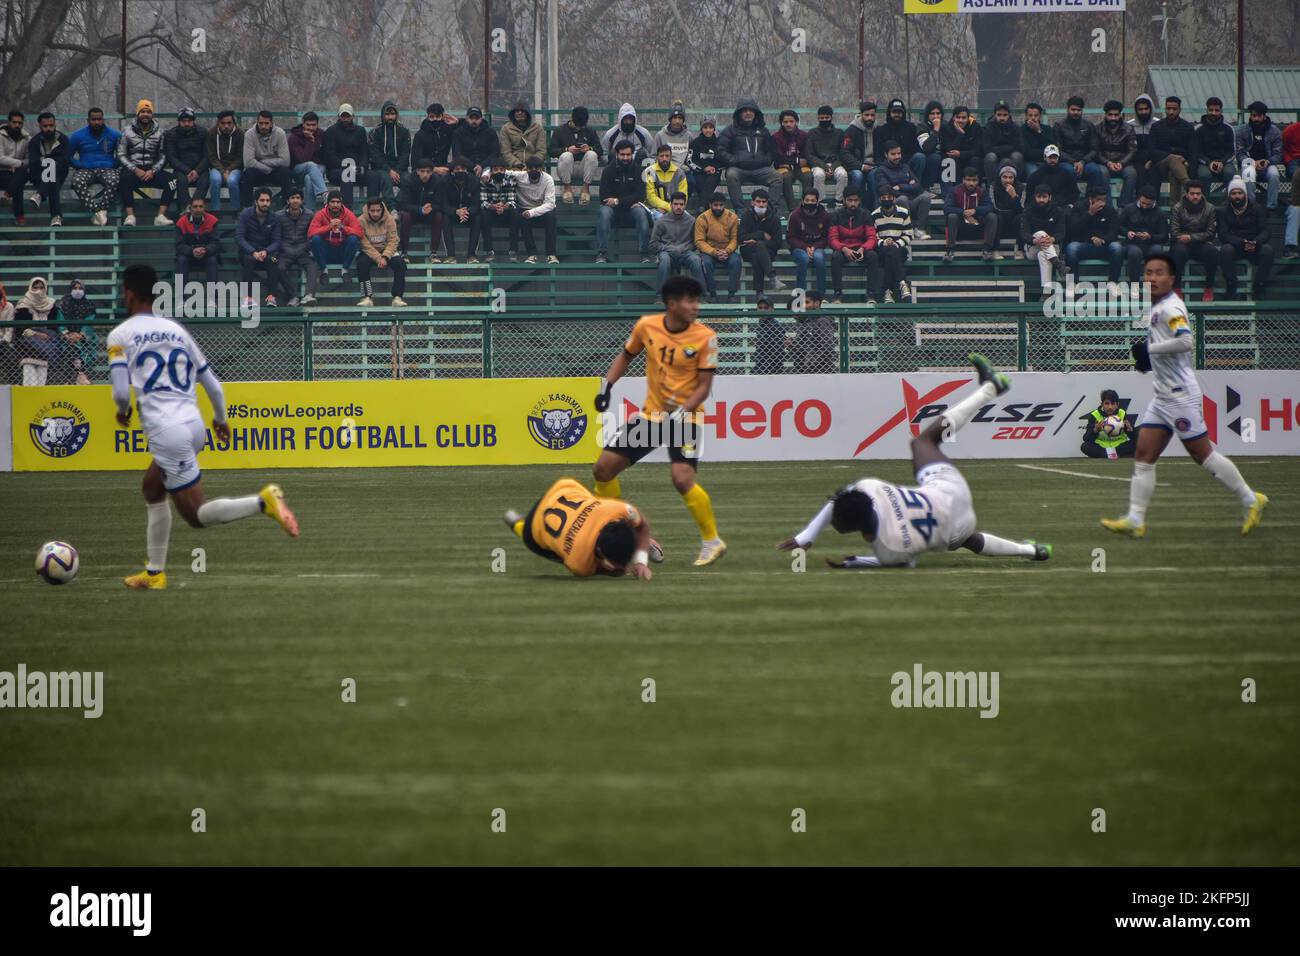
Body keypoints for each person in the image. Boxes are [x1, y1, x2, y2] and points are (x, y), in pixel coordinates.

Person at [107, 263, 299, 590]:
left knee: (196, 516)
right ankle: (154, 573)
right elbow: (214, 385)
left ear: (127, 293)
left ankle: (263, 502)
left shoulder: (120, 335)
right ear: (155, 294)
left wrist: (122, 411)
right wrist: (220, 420)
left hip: (167, 432)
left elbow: (122, 391)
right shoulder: (177, 331)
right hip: (193, 424)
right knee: (152, 488)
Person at [778, 354, 1052, 569]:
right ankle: (991, 387)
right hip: (951, 490)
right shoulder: (870, 487)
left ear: (861, 533)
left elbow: (903, 561)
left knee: (962, 538)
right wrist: (808, 536)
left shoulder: (889, 549)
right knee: (923, 442)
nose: (832, 517)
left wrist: (854, 561)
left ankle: (1031, 551)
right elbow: (841, 504)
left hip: (956, 528)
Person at [1102, 252, 1267, 538]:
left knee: (1202, 454)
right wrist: (1150, 359)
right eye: (1148, 272)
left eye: (1158, 273)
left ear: (1171, 278)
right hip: (1163, 396)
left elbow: (1186, 341)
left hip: (1180, 396)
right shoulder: (1158, 306)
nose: (1152, 278)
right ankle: (1135, 519)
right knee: (1143, 454)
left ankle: (1252, 499)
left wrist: (1149, 351)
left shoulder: (1172, 308)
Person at [592, 275, 725, 566]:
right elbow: (626, 356)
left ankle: (712, 540)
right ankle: (627, 529)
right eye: (689, 300)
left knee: (681, 479)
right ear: (671, 303)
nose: (695, 306)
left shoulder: (706, 337)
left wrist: (680, 411)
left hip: (687, 419)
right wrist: (606, 386)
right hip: (651, 417)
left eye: (696, 300)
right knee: (603, 470)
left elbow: (704, 386)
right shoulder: (646, 326)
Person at [502, 477, 660, 580]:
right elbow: (616, 571)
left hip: (563, 488)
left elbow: (641, 525)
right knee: (531, 537)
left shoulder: (617, 509)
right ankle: (516, 523)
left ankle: (635, 542)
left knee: (599, 506)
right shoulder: (580, 563)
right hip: (535, 525)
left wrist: (639, 554)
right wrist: (637, 561)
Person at [718, 98, 784, 216]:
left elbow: (770, 150)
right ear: (739, 113)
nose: (748, 113)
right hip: (739, 169)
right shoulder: (730, 130)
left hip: (760, 169)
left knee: (777, 177)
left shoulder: (763, 131)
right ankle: (741, 211)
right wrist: (734, 160)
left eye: (751, 111)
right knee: (731, 174)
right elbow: (721, 150)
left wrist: (765, 160)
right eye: (744, 111)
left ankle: (771, 210)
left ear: (755, 113)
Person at [116, 99, 173, 226]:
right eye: (142, 111)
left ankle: (161, 216)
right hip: (133, 170)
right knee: (123, 179)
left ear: (152, 114)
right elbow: (120, 154)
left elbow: (164, 154)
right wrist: (135, 169)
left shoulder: (161, 132)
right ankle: (130, 216)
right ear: (138, 114)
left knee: (173, 181)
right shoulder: (126, 131)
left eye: (148, 111)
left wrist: (153, 170)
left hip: (151, 170)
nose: (145, 114)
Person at [1216, 176, 1274, 301]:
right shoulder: (1223, 210)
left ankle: (1259, 287)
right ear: (1229, 195)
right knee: (1225, 250)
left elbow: (1265, 231)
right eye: (1234, 193)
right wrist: (1242, 242)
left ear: (1245, 194)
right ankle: (1231, 287)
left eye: (1240, 193)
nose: (1237, 196)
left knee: (1267, 250)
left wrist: (1256, 242)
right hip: (1236, 247)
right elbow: (1223, 234)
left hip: (1254, 246)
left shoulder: (1257, 208)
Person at [595, 140, 652, 264]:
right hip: (613, 211)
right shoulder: (608, 171)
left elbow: (640, 195)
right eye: (622, 154)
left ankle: (644, 254)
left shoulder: (638, 171)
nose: (625, 157)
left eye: (628, 154)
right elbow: (604, 197)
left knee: (641, 213)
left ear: (632, 154)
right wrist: (627, 201)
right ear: (616, 154)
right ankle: (602, 253)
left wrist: (617, 201)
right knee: (604, 212)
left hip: (630, 210)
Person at [1168, 180, 1219, 302]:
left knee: (1213, 252)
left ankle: (1209, 287)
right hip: (1182, 244)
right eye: (1192, 193)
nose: (1195, 196)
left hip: (1200, 244)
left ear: (1202, 194)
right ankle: (1176, 287)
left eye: (1198, 193)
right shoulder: (1177, 208)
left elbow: (1211, 233)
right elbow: (1174, 232)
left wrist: (1191, 238)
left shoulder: (1210, 208)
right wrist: (1184, 238)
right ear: (1186, 194)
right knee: (1178, 252)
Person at [68, 107, 121, 225]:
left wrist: (113, 164)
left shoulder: (114, 134)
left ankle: (102, 209)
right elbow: (68, 155)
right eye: (93, 119)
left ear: (103, 119)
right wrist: (79, 165)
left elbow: (121, 153)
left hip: (108, 168)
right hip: (86, 169)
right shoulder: (78, 136)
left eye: (99, 119)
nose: (97, 122)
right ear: (88, 120)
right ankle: (96, 210)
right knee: (77, 180)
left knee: (115, 180)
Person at [235, 187, 284, 309]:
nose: (265, 203)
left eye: (267, 200)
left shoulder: (274, 218)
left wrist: (266, 251)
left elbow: (277, 241)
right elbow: (239, 237)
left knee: (273, 260)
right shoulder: (245, 214)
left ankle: (272, 297)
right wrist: (252, 251)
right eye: (262, 200)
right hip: (248, 252)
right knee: (248, 260)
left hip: (266, 253)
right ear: (256, 202)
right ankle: (248, 298)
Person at [874, 140, 931, 241]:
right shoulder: (880, 170)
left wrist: (900, 187)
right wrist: (909, 186)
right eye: (893, 154)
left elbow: (918, 186)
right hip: (894, 204)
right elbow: (887, 190)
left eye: (899, 153)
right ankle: (908, 229)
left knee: (925, 197)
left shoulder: (905, 167)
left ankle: (919, 229)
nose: (897, 156)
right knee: (902, 199)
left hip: (911, 200)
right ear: (886, 155)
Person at [1065, 185, 1123, 283]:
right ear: (1091, 199)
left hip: (1103, 246)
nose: (1102, 203)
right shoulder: (1079, 206)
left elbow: (1114, 232)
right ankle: (1072, 283)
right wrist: (1089, 213)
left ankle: (1113, 282)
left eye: (1104, 199)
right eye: (1099, 200)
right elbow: (1073, 229)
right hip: (1084, 245)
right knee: (1071, 248)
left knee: (1117, 247)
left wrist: (1102, 240)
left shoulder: (1109, 210)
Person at [356, 197, 407, 307]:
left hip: (386, 250)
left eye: (378, 210)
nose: (375, 213)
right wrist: (378, 258)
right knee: (361, 263)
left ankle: (397, 297)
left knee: (401, 264)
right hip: (370, 251)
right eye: (372, 211)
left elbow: (393, 240)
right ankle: (366, 297)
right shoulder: (360, 220)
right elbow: (364, 244)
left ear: (382, 209)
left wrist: (385, 256)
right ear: (368, 210)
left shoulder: (389, 219)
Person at [1020, 184, 1069, 299]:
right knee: (1041, 233)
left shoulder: (1058, 211)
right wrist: (1035, 240)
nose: (1041, 200)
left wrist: (1052, 239)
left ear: (1050, 197)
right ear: (1034, 197)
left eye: (1044, 197)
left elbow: (1061, 233)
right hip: (1032, 248)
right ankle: (1058, 265)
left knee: (1043, 255)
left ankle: (1046, 293)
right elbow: (1024, 233)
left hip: (1052, 247)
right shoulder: (1028, 210)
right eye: (1038, 197)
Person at [828, 188, 875, 305]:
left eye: (856, 200)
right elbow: (832, 239)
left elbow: (872, 238)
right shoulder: (835, 215)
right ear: (844, 200)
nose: (853, 203)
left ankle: (871, 294)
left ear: (860, 201)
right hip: (843, 249)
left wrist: (863, 248)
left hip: (861, 249)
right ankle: (837, 294)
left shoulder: (866, 214)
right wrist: (843, 248)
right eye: (850, 200)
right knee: (835, 256)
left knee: (873, 256)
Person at [943, 168, 999, 262]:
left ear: (978, 181)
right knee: (952, 216)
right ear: (963, 180)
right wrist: (964, 213)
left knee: (992, 216)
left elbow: (990, 207)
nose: (971, 183)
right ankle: (950, 251)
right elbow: (947, 208)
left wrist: (975, 211)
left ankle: (987, 250)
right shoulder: (954, 191)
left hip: (977, 226)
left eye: (974, 180)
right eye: (968, 180)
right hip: (960, 228)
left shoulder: (982, 191)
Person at [1149, 96, 1197, 206]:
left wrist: (1183, 159)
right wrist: (1173, 156)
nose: (1171, 112)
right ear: (1165, 109)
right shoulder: (1156, 127)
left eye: (1174, 109)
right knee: (1173, 159)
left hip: (1182, 165)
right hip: (1161, 163)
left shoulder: (1187, 127)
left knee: (1174, 172)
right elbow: (1151, 151)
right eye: (1168, 109)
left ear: (1179, 110)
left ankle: (1174, 209)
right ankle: (1189, 185)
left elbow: (1193, 151)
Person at [510, 155, 558, 263]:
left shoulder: (548, 179)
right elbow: (505, 173)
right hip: (525, 209)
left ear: (542, 169)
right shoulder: (519, 176)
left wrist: (532, 212)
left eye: (537, 168)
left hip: (542, 211)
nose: (534, 170)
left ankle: (551, 255)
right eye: (530, 168)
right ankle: (532, 255)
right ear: (526, 169)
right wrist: (486, 174)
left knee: (551, 216)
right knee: (520, 216)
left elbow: (550, 204)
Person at [1235, 101, 1283, 210]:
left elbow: (1278, 154)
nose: (1256, 119)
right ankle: (1251, 207)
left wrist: (1268, 162)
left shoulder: (1274, 131)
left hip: (1268, 163)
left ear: (1264, 116)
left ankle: (1271, 207)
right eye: (1253, 115)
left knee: (1274, 175)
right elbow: (1239, 152)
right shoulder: (1242, 130)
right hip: (1248, 163)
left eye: (1259, 116)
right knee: (1249, 173)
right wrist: (1251, 162)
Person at [869, 184, 912, 304]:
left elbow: (909, 235)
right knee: (888, 253)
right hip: (882, 249)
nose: (886, 200)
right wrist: (883, 242)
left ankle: (887, 291)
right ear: (879, 199)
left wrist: (896, 244)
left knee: (892, 253)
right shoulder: (874, 215)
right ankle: (902, 283)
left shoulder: (904, 213)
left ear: (894, 198)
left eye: (889, 197)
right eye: (883, 197)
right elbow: (873, 236)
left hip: (899, 248)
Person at [694, 192, 741, 302]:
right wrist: (714, 252)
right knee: (706, 263)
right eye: (715, 205)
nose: (718, 208)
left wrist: (727, 251)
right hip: (709, 252)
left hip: (727, 251)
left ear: (724, 205)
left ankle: (732, 294)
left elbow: (734, 239)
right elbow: (699, 241)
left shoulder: (732, 217)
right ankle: (712, 294)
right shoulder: (702, 218)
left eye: (721, 205)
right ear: (710, 205)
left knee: (736, 261)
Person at [649, 192, 702, 289]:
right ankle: (660, 296)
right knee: (664, 260)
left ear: (685, 205)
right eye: (676, 204)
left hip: (685, 252)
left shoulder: (692, 221)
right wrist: (668, 248)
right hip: (667, 252)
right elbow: (653, 244)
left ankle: (702, 296)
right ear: (671, 205)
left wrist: (685, 248)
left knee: (696, 260)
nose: (678, 207)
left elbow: (696, 242)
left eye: (681, 204)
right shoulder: (661, 221)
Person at [276, 187, 319, 305]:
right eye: (292, 198)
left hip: (303, 251)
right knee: (278, 266)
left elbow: (312, 235)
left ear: (302, 201)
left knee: (313, 266)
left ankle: (309, 295)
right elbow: (276, 237)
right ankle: (293, 297)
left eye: (298, 198)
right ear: (287, 201)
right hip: (284, 252)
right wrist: (284, 249)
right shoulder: (278, 216)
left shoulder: (309, 215)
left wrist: (305, 247)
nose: (295, 200)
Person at [549, 105, 601, 204]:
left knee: (592, 154)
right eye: (577, 125)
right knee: (566, 155)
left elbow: (600, 150)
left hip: (584, 168)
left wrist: (589, 148)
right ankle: (567, 189)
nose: (579, 128)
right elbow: (551, 150)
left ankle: (585, 189)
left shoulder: (590, 130)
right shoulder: (560, 130)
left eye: (581, 126)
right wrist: (567, 149)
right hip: (565, 168)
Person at [240, 110, 291, 208]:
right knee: (247, 174)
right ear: (257, 122)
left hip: (275, 171)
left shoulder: (280, 133)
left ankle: (287, 208)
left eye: (266, 123)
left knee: (286, 173)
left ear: (271, 123)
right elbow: (248, 162)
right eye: (261, 123)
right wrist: (267, 168)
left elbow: (285, 161)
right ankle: (246, 209)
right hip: (257, 171)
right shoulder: (249, 134)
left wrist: (263, 162)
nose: (263, 126)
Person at [163, 107, 208, 219]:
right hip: (181, 169)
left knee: (205, 180)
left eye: (189, 121)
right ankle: (186, 209)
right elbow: (171, 157)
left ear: (194, 121)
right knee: (179, 181)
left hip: (200, 168)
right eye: (184, 121)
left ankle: (195, 207)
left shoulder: (203, 133)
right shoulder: (171, 134)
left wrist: (197, 171)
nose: (187, 123)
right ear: (179, 122)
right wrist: (188, 171)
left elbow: (207, 156)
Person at [26, 112, 70, 226]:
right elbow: (33, 162)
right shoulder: (35, 142)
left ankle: (40, 194)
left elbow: (65, 159)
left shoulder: (63, 139)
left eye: (51, 125)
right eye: (45, 126)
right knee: (52, 181)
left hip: (59, 172)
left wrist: (49, 161)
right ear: (40, 127)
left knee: (53, 170)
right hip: (39, 175)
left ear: (55, 125)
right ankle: (56, 217)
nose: (49, 129)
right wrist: (47, 161)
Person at [738, 188, 783, 298]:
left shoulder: (774, 218)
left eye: (764, 202)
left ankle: (759, 292)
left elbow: (777, 243)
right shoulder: (746, 215)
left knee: (757, 253)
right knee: (758, 248)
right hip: (747, 249)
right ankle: (772, 277)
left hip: (768, 252)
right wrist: (761, 235)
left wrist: (757, 241)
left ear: (767, 203)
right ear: (752, 202)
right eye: (758, 201)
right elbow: (741, 238)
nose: (761, 204)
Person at [1053, 96, 1104, 193]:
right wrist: (1073, 162)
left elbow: (1094, 148)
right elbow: (1057, 149)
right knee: (1069, 171)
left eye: (1078, 110)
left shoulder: (1089, 126)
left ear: (1082, 111)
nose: (1075, 112)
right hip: (1066, 162)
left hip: (1085, 161)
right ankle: (1071, 202)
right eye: (1073, 109)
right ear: (1067, 109)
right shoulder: (1059, 126)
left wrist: (1083, 161)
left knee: (1096, 171)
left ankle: (1091, 200)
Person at [1118, 185, 1168, 282]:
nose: (1144, 206)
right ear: (1139, 198)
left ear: (1154, 201)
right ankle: (1134, 284)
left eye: (1148, 204)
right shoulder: (1129, 209)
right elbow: (1119, 226)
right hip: (1133, 243)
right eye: (1143, 203)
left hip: (1151, 243)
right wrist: (1127, 232)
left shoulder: (1160, 213)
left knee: (1157, 250)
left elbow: (1164, 236)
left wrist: (1150, 237)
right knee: (1135, 253)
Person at [13, 277, 58, 385]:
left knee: (41, 385)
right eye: (35, 287)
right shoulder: (23, 304)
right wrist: (37, 334)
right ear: (30, 288)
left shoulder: (51, 305)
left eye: (41, 287)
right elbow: (20, 329)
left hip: (45, 348)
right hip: (27, 348)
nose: (38, 290)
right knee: (30, 383)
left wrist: (45, 335)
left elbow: (54, 328)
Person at [308, 190, 363, 278]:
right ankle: (323, 269)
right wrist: (329, 227)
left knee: (353, 239)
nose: (335, 205)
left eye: (338, 202)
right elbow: (311, 233)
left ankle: (345, 269)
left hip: (342, 251)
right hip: (327, 251)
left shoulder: (349, 214)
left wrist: (343, 227)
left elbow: (359, 233)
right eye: (332, 202)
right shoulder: (320, 214)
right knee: (315, 239)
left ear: (341, 203)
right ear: (328, 203)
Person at [321, 104, 368, 208]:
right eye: (343, 116)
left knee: (375, 176)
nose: (346, 118)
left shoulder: (360, 131)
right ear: (339, 116)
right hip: (337, 170)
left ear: (353, 116)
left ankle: (373, 208)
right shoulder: (331, 132)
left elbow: (364, 152)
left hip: (357, 169)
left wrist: (362, 166)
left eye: (348, 116)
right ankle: (347, 210)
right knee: (347, 175)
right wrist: (347, 166)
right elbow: (329, 156)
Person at [399, 158, 446, 260]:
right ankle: (404, 253)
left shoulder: (437, 181)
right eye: (422, 171)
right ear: (417, 171)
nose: (425, 174)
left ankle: (434, 253)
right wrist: (419, 209)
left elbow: (441, 203)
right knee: (405, 215)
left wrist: (431, 207)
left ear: (432, 172)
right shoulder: (408, 180)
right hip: (414, 213)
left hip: (429, 213)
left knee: (439, 215)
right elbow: (403, 204)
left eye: (428, 172)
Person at [786, 187, 830, 296]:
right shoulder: (795, 215)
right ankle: (800, 294)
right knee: (804, 258)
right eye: (807, 200)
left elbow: (826, 237)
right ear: (802, 201)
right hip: (799, 247)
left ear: (817, 201)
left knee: (819, 259)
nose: (810, 202)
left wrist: (815, 246)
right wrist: (805, 247)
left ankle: (821, 294)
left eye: (813, 201)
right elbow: (790, 237)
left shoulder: (825, 215)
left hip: (817, 246)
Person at [440, 156, 483, 262]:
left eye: (463, 169)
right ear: (452, 171)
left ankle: (472, 255)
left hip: (468, 213)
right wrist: (456, 211)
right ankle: (450, 255)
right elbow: (443, 204)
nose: (460, 171)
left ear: (467, 170)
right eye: (457, 169)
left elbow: (477, 204)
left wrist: (466, 212)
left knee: (478, 218)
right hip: (452, 213)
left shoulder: (474, 181)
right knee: (445, 217)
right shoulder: (444, 181)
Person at [367, 101, 411, 203]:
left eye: (392, 114)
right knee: (385, 179)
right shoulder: (375, 133)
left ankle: (400, 205)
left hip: (400, 170)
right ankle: (391, 207)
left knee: (409, 180)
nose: (390, 117)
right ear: (382, 115)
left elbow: (405, 154)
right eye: (387, 114)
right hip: (381, 169)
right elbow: (376, 156)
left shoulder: (404, 132)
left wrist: (397, 171)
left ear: (396, 115)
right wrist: (389, 170)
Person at [1096, 99, 1138, 208]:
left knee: (1132, 174)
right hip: (1104, 163)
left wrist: (1121, 163)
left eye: (1116, 115)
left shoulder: (1128, 129)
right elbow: (1096, 151)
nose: (1113, 118)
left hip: (1123, 163)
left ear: (1120, 115)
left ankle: (1123, 207)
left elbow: (1132, 150)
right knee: (1101, 173)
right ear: (1105, 115)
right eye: (1110, 115)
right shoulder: (1098, 129)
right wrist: (1108, 163)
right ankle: (1108, 207)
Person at [56, 279, 98, 385]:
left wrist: (80, 335)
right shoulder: (62, 304)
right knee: (69, 348)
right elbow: (60, 322)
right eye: (75, 288)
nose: (77, 291)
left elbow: (89, 323)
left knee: (86, 345)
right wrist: (67, 334)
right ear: (70, 289)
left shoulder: (89, 306)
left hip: (83, 338)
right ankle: (80, 375)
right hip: (66, 338)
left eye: (80, 288)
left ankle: (72, 379)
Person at [804, 106, 847, 206]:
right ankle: (820, 203)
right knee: (819, 175)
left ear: (831, 118)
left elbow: (843, 153)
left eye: (826, 117)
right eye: (821, 118)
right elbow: (809, 154)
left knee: (843, 174)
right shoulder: (812, 133)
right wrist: (824, 167)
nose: (824, 120)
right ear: (818, 118)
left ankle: (840, 203)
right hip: (818, 164)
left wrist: (832, 167)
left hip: (836, 164)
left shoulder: (839, 133)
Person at [174, 195, 221, 287]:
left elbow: (216, 243)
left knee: (212, 260)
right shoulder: (181, 222)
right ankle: (181, 298)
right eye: (195, 206)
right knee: (181, 260)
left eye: (201, 206)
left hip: (206, 254)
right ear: (190, 208)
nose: (198, 209)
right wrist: (192, 251)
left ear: (205, 208)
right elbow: (179, 245)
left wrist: (205, 250)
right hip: (188, 255)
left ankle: (212, 298)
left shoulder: (212, 220)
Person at [839, 100, 880, 207]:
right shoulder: (851, 130)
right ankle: (856, 208)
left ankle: (876, 208)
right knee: (858, 176)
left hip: (874, 166)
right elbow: (844, 153)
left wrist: (877, 164)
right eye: (866, 115)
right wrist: (860, 166)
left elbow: (882, 151)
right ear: (861, 115)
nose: (870, 118)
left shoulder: (878, 130)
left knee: (875, 175)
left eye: (872, 115)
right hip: (857, 166)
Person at [1194, 97, 1237, 194]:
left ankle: (1228, 203)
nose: (1213, 113)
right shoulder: (1198, 129)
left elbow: (1232, 152)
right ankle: (1204, 204)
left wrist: (1222, 162)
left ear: (1221, 111)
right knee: (1204, 175)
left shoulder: (1228, 129)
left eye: (1216, 110)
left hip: (1224, 162)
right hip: (1204, 162)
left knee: (1230, 173)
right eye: (1211, 110)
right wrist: (1209, 163)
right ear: (1207, 110)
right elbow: (1196, 151)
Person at [287, 111, 328, 212]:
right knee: (310, 165)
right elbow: (302, 159)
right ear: (303, 124)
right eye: (308, 125)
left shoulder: (322, 135)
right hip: (298, 170)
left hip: (318, 169)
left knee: (309, 178)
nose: (311, 128)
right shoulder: (294, 137)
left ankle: (309, 212)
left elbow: (325, 156)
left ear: (317, 125)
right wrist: (310, 141)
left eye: (313, 125)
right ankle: (325, 193)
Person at [205, 110, 243, 214]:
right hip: (217, 167)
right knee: (215, 180)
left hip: (235, 167)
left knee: (232, 181)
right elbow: (211, 156)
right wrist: (223, 171)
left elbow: (240, 157)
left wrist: (229, 170)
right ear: (218, 123)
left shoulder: (240, 133)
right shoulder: (212, 133)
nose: (226, 126)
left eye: (229, 123)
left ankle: (236, 212)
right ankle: (215, 212)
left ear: (233, 123)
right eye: (223, 123)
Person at [479, 159, 517, 261]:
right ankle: (489, 251)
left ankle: (513, 251)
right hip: (490, 212)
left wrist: (504, 207)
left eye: (501, 169)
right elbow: (483, 202)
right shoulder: (484, 182)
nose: (499, 172)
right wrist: (493, 206)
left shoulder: (510, 180)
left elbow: (512, 201)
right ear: (491, 171)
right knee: (483, 214)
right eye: (495, 170)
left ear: (505, 171)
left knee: (515, 213)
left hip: (506, 212)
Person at [1081, 389, 1135, 460]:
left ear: (1117, 405)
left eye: (1113, 404)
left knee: (1139, 442)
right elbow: (1086, 438)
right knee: (1085, 446)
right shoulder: (1094, 415)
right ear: (1102, 404)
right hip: (1102, 447)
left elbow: (1133, 436)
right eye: (1107, 403)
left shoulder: (1122, 414)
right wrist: (1095, 430)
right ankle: (1114, 454)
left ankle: (1108, 455)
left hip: (1119, 446)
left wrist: (1130, 430)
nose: (1110, 407)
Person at [771, 109, 808, 215]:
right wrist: (796, 161)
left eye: (791, 121)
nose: (788, 124)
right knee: (785, 177)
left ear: (796, 122)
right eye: (785, 122)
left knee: (809, 176)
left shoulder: (804, 136)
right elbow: (777, 158)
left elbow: (806, 156)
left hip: (801, 168)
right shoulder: (775, 137)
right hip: (784, 168)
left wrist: (793, 162)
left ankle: (805, 206)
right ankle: (793, 210)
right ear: (781, 123)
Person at [450, 106, 500, 178]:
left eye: (477, 118)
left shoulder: (490, 132)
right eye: (471, 118)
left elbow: (495, 153)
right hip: (465, 167)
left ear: (481, 119)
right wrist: (473, 166)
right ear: (467, 118)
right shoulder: (458, 133)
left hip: (487, 166)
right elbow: (457, 154)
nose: (474, 121)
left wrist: (482, 165)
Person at [411, 103, 459, 177]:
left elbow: (468, 126)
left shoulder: (447, 131)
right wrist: (434, 169)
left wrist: (457, 121)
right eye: (432, 117)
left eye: (438, 116)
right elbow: (415, 161)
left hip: (444, 168)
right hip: (424, 171)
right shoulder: (420, 135)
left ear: (442, 117)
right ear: (427, 117)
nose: (435, 119)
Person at [0, 109, 31, 224]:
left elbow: (30, 159)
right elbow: (0, 158)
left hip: (17, 173)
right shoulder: (0, 136)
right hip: (1, 172)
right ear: (9, 123)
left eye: (20, 123)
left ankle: (7, 194)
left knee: (22, 175)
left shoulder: (27, 138)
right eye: (14, 122)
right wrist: (17, 163)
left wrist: (19, 165)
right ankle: (19, 216)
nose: (17, 125)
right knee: (18, 183)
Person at [982, 100, 1024, 184]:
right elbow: (986, 149)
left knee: (1017, 156)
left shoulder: (1015, 127)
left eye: (1005, 115)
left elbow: (1020, 147)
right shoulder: (988, 128)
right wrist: (1008, 147)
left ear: (1009, 115)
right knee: (990, 157)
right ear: (994, 115)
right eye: (999, 115)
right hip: (995, 157)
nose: (1002, 118)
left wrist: (997, 149)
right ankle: (992, 186)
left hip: (1010, 156)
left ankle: (1015, 184)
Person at [684, 117, 721, 211]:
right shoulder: (695, 143)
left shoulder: (719, 143)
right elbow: (689, 160)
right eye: (705, 127)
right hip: (699, 172)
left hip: (714, 173)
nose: (708, 130)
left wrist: (714, 168)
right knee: (700, 182)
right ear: (701, 129)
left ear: (714, 129)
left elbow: (723, 160)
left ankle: (701, 207)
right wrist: (703, 168)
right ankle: (706, 208)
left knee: (711, 180)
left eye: (710, 127)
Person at [498, 100, 545, 170]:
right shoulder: (506, 129)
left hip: (534, 167)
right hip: (514, 167)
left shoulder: (538, 128)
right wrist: (517, 164)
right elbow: (505, 152)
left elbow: (541, 150)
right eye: (517, 111)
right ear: (513, 113)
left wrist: (532, 164)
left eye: (522, 111)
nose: (519, 113)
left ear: (527, 113)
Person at [645, 143, 688, 219]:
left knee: (689, 218)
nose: (664, 159)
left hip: (676, 207)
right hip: (655, 208)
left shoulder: (679, 173)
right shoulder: (649, 171)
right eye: (661, 156)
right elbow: (650, 197)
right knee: (661, 218)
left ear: (671, 157)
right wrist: (669, 207)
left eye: (667, 156)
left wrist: (673, 208)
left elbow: (683, 196)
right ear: (657, 157)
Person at [990, 165, 1023, 257]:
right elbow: (994, 208)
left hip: (1014, 220)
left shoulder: (1021, 187)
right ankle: (995, 250)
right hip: (1000, 220)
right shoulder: (993, 186)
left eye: (1010, 177)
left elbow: (1022, 210)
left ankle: (1020, 250)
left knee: (1021, 217)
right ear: (1000, 177)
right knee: (996, 217)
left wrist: (1014, 196)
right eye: (1005, 177)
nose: (1007, 180)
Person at [1020, 102, 1056, 181]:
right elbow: (1026, 153)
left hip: (1046, 162)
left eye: (1036, 115)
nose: (1033, 118)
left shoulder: (1047, 129)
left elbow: (1051, 149)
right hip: (1029, 162)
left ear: (1040, 116)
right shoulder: (1021, 130)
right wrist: (1043, 152)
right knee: (1035, 174)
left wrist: (1039, 131)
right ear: (1026, 116)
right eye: (1030, 115)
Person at [653, 102, 692, 171]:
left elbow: (690, 157)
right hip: (665, 170)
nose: (677, 121)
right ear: (670, 119)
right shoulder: (660, 136)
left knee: (692, 181)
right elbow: (654, 156)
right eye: (675, 118)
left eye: (680, 118)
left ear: (683, 120)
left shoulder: (688, 136)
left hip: (683, 171)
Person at [752, 297, 785, 373]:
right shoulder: (762, 325)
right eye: (760, 308)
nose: (763, 310)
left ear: (772, 310)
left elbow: (777, 353)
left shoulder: (775, 326)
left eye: (766, 308)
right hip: (761, 367)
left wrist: (764, 370)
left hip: (770, 370)